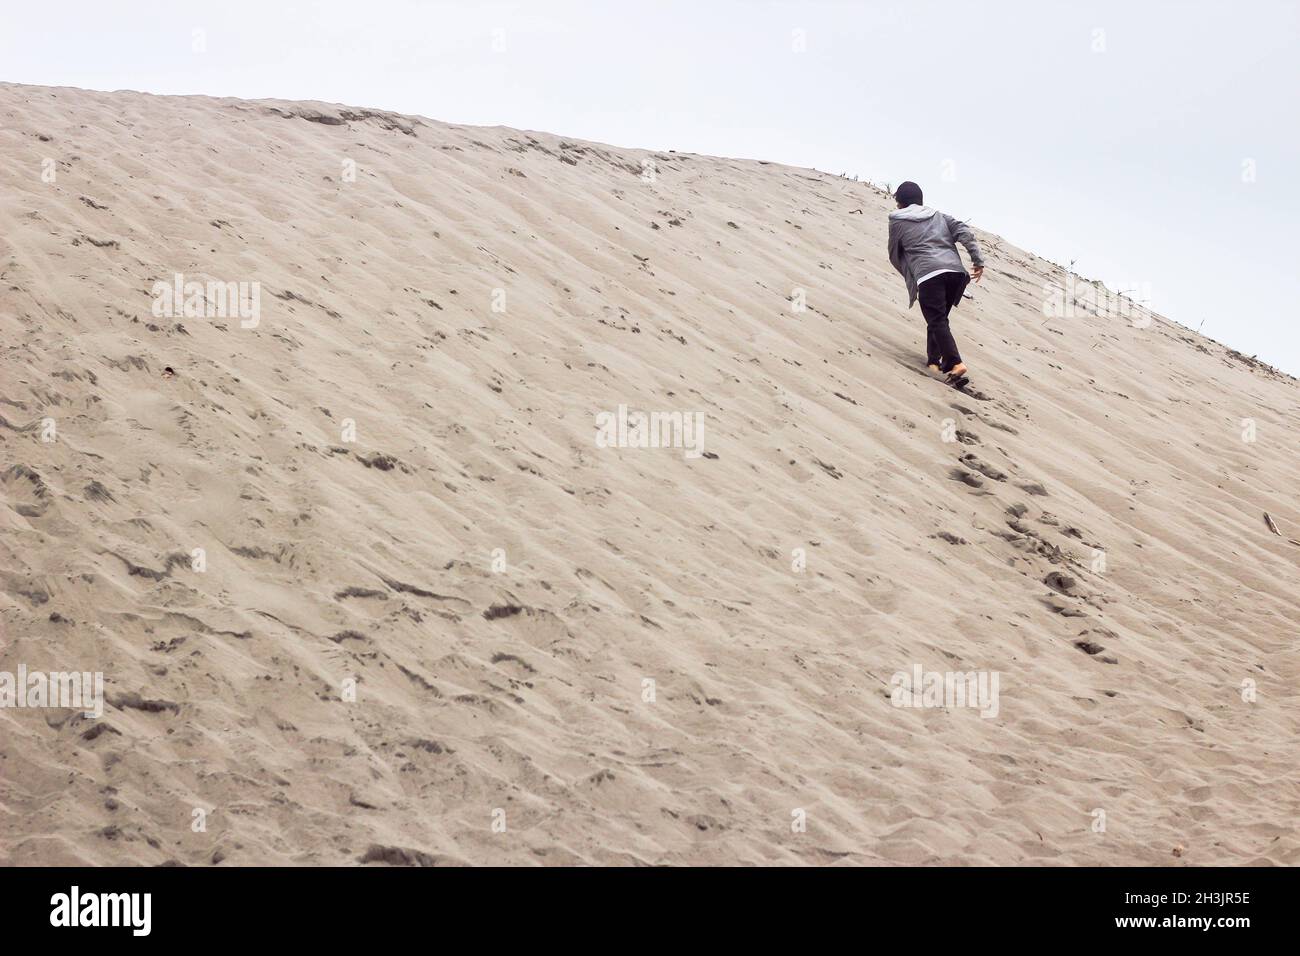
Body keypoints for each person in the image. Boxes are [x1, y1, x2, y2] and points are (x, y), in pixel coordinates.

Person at [886, 181, 985, 382]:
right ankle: (934, 361)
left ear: (900, 202)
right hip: (956, 274)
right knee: (939, 319)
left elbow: (894, 254)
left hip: (929, 274)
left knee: (937, 319)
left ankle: (956, 363)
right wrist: (978, 261)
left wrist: (912, 274)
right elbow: (965, 232)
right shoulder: (939, 216)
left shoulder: (897, 221)